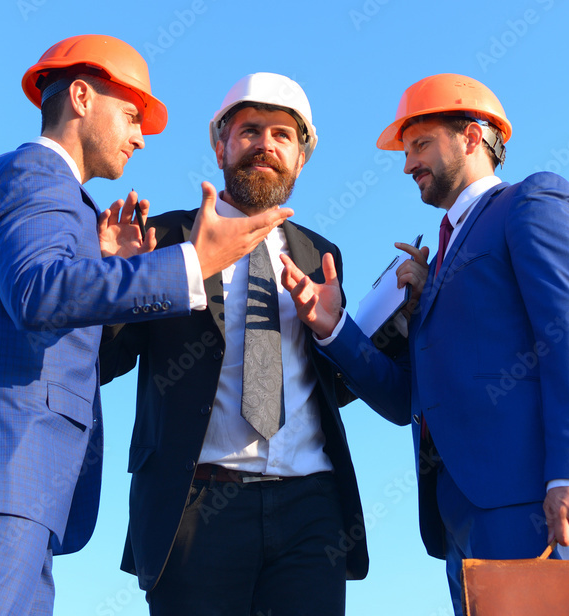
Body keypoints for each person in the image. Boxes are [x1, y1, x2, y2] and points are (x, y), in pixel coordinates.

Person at [0, 36, 290, 616]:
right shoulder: (38, 175)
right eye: (132, 115)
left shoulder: (43, 198)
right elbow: (38, 292)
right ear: (81, 97)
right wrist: (191, 262)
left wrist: (104, 271)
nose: (140, 135)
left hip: (3, 488)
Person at [280, 73, 569, 614]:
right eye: (406, 150)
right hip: (457, 512)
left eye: (421, 144)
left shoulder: (531, 201)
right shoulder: (431, 266)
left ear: (473, 136)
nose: (409, 163)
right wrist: (332, 326)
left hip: (533, 499)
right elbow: (406, 400)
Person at [99, 72, 368, 616]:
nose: (265, 145)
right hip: (197, 507)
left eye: (282, 135)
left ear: (301, 157)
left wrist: (343, 330)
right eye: (249, 131)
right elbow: (105, 361)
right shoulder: (165, 238)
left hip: (311, 507)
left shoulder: (322, 255)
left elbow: (328, 389)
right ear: (221, 145)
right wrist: (112, 285)